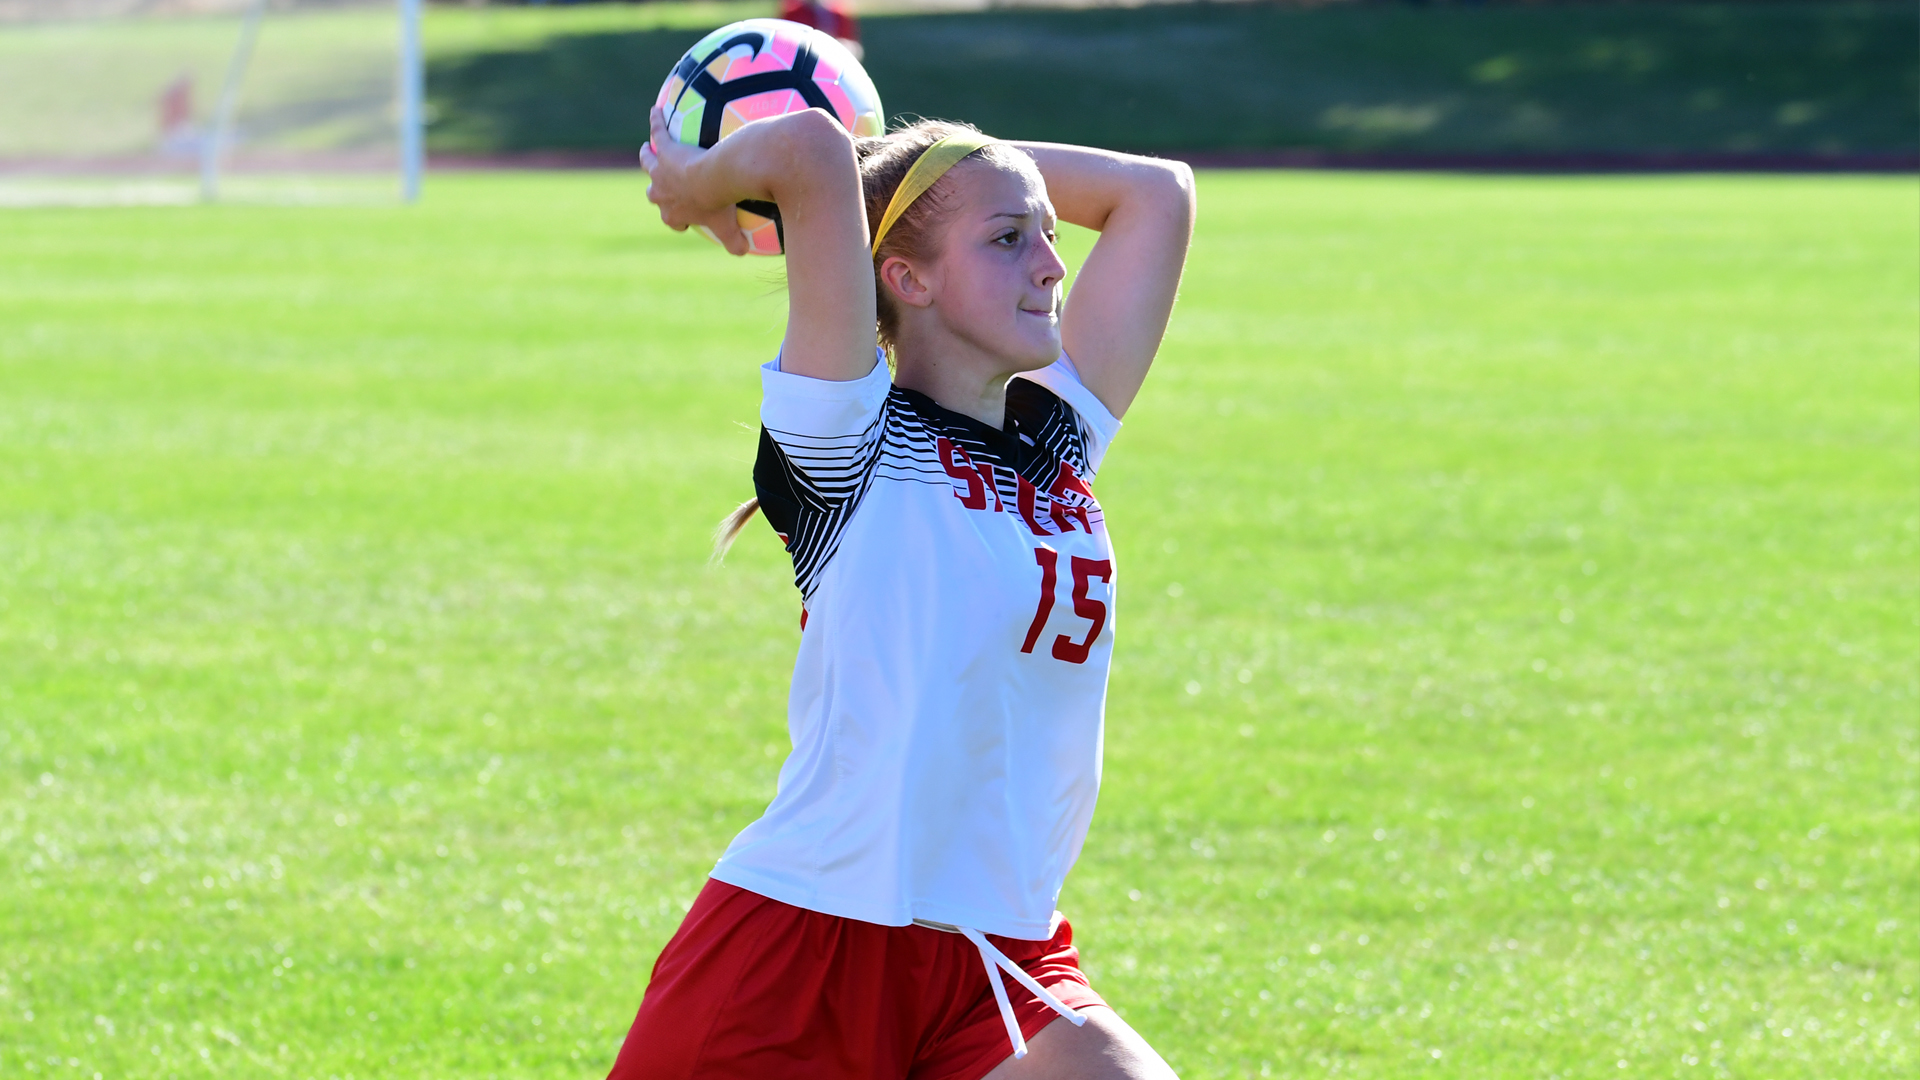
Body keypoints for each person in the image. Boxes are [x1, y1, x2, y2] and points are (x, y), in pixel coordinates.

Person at [614, 103, 1195, 1080]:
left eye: (1049, 232)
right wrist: (695, 183)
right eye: (1009, 239)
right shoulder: (847, 444)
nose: (1053, 265)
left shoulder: (1055, 438)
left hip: (998, 958)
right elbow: (806, 148)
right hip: (805, 948)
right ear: (906, 278)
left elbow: (1155, 194)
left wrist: (936, 174)